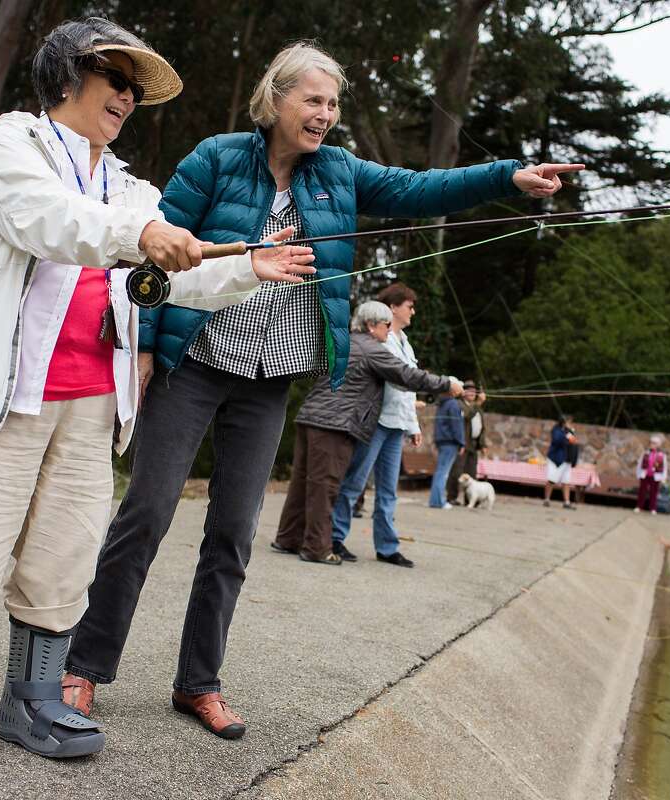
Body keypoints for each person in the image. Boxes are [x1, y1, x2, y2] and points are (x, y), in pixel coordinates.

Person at [63, 41, 582, 739]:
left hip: (271, 379)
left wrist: (507, 177)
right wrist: (151, 349)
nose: (325, 115)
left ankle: (198, 683)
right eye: (312, 99)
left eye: (332, 104)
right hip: (197, 360)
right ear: (274, 99)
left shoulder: (339, 172)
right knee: (147, 515)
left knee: (234, 533)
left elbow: (419, 188)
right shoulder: (215, 158)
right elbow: (154, 256)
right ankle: (85, 667)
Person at [0, 18, 315, 771]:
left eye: (134, 88)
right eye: (114, 78)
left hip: (88, 403)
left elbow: (176, 271)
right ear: (67, 77)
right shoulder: (10, 145)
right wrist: (144, 231)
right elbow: (52, 223)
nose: (126, 96)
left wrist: (248, 268)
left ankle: (33, 700)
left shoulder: (126, 183)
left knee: (62, 561)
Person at [273, 301, 457, 566]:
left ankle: (288, 539)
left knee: (303, 484)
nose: (388, 331)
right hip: (334, 425)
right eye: (385, 326)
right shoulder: (372, 348)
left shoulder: (345, 342)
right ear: (372, 325)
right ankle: (317, 548)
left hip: (310, 417)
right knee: (325, 487)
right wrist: (447, 384)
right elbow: (406, 375)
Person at [331, 283, 429, 564]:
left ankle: (387, 546)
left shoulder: (405, 341)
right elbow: (398, 377)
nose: (413, 311)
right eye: (409, 306)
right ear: (394, 307)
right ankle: (335, 538)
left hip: (397, 424)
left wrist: (413, 426)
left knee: (388, 491)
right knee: (355, 483)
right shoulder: (380, 339)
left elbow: (407, 387)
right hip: (375, 422)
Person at [446, 381, 489, 504]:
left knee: (471, 473)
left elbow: (482, 427)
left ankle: (470, 500)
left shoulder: (477, 407)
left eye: (474, 390)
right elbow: (467, 416)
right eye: (468, 389)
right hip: (463, 443)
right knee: (457, 471)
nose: (472, 392)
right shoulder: (459, 405)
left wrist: (483, 444)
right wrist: (478, 403)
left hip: (474, 444)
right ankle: (452, 497)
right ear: (463, 392)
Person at [429, 389, 465, 509]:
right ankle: (439, 501)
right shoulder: (453, 404)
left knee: (440, 471)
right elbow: (457, 425)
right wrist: (461, 442)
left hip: (441, 441)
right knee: (443, 473)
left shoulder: (441, 403)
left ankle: (435, 500)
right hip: (450, 442)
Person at [543, 415, 577, 509]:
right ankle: (547, 499)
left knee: (566, 481)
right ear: (564, 422)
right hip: (556, 458)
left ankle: (567, 502)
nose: (571, 424)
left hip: (567, 459)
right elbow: (557, 440)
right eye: (569, 422)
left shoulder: (568, 431)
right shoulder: (556, 430)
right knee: (551, 479)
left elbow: (573, 442)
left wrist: (570, 432)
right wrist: (565, 435)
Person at [635, 434, 669, 514]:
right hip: (645, 475)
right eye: (651, 443)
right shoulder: (645, 453)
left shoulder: (662, 455)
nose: (652, 445)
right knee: (642, 491)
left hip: (655, 476)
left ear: (658, 445)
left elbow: (665, 467)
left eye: (654, 443)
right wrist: (638, 474)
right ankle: (639, 506)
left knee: (654, 492)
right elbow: (640, 464)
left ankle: (653, 508)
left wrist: (663, 478)